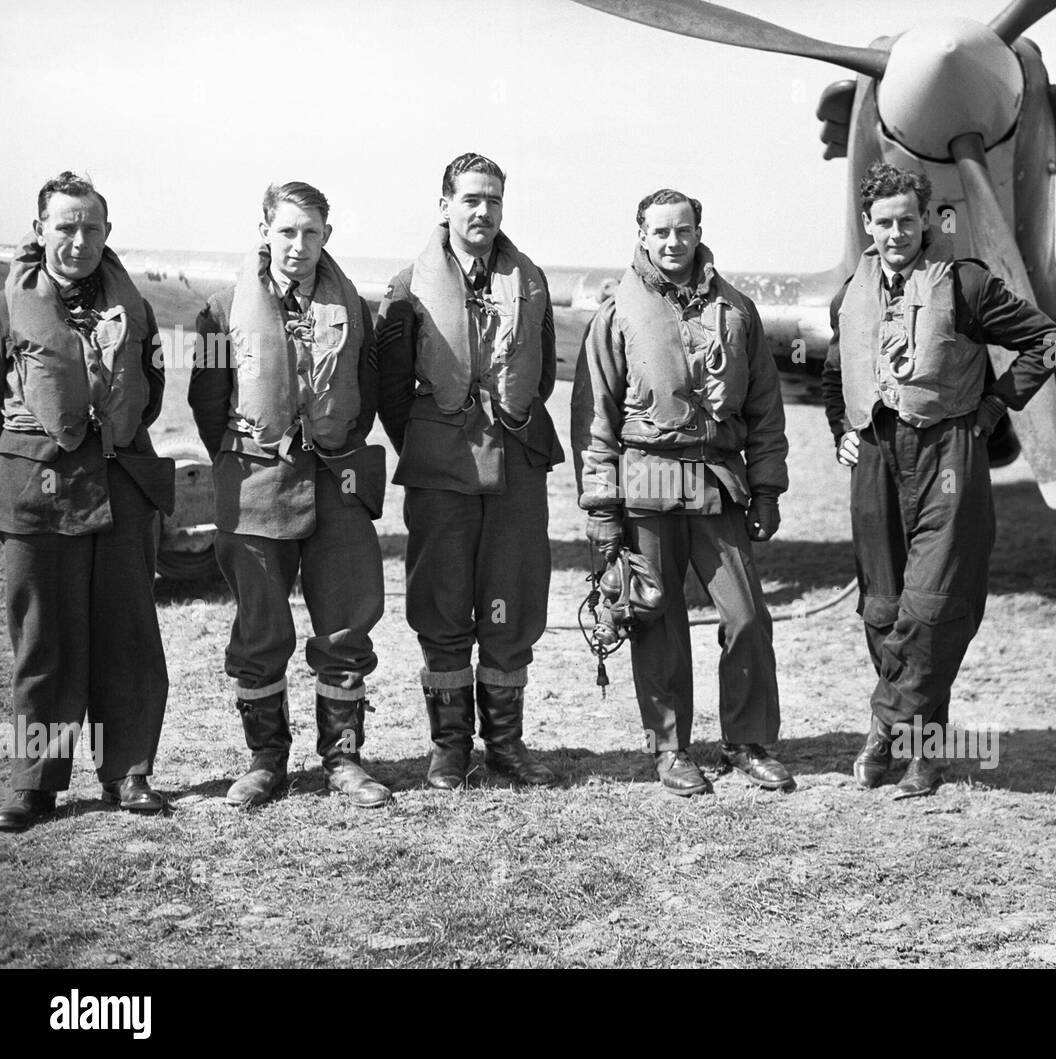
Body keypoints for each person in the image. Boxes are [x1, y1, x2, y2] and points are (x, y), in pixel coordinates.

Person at [822, 162, 1056, 798]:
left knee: (934, 607)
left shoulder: (966, 283)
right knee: (882, 608)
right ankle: (925, 747)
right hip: (874, 455)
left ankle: (884, 728)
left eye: (907, 220)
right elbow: (833, 371)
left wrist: (991, 406)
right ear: (866, 225)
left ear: (926, 219)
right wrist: (838, 427)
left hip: (947, 450)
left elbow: (1044, 339)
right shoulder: (852, 290)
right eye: (883, 222)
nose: (896, 233)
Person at [572, 188, 792, 797]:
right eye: (661, 232)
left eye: (683, 230)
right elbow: (596, 419)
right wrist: (603, 508)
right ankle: (670, 749)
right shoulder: (617, 315)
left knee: (747, 617)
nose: (673, 242)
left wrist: (768, 487)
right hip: (647, 480)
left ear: (699, 231)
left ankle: (747, 741)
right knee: (657, 621)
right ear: (641, 235)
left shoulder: (738, 310)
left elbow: (765, 409)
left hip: (717, 482)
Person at [190, 181, 390, 809]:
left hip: (336, 482)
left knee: (348, 622)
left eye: (310, 233)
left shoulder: (354, 306)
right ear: (265, 231)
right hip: (256, 485)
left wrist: (330, 444)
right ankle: (265, 759)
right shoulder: (221, 312)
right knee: (259, 627)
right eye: (286, 231)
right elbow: (208, 401)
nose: (297, 245)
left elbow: (366, 391)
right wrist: (253, 452)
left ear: (326, 236)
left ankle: (343, 758)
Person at [376, 153, 564, 790]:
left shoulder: (531, 281)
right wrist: (431, 441)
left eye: (493, 201)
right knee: (442, 602)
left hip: (516, 463)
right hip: (441, 467)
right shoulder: (408, 286)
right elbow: (391, 387)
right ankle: (449, 748)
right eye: (470, 200)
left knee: (512, 601)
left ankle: (506, 747)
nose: (482, 212)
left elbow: (541, 374)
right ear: (445, 206)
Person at [0, 172, 172, 831]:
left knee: (128, 636)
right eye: (65, 226)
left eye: (91, 227)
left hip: (121, 483)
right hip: (36, 488)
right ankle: (34, 784)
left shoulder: (136, 305)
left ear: (107, 232)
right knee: (44, 641)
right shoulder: (9, 302)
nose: (78, 239)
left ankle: (127, 772)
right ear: (40, 229)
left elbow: (151, 387)